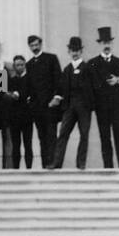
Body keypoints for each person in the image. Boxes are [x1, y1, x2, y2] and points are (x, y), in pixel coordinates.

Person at [87, 26, 119, 168]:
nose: (106, 45)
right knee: (105, 138)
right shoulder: (92, 63)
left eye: (108, 42)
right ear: (99, 44)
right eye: (103, 43)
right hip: (102, 108)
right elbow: (89, 85)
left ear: (111, 44)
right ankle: (108, 169)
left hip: (117, 106)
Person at [51, 35, 94, 170]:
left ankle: (81, 163)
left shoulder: (88, 68)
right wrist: (57, 97)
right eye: (72, 50)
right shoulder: (67, 69)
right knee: (63, 134)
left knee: (84, 135)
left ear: (81, 51)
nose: (74, 53)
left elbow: (93, 88)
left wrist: (89, 105)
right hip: (69, 107)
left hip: (84, 107)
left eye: (77, 50)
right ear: (69, 52)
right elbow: (61, 88)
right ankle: (56, 163)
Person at [25, 34, 62, 168]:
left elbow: (59, 79)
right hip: (37, 108)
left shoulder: (51, 59)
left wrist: (57, 97)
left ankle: (54, 163)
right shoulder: (28, 64)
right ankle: (44, 165)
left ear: (40, 44)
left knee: (51, 136)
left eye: (36, 45)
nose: (34, 48)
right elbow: (29, 86)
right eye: (32, 46)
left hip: (50, 106)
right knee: (41, 137)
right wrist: (30, 102)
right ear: (29, 47)